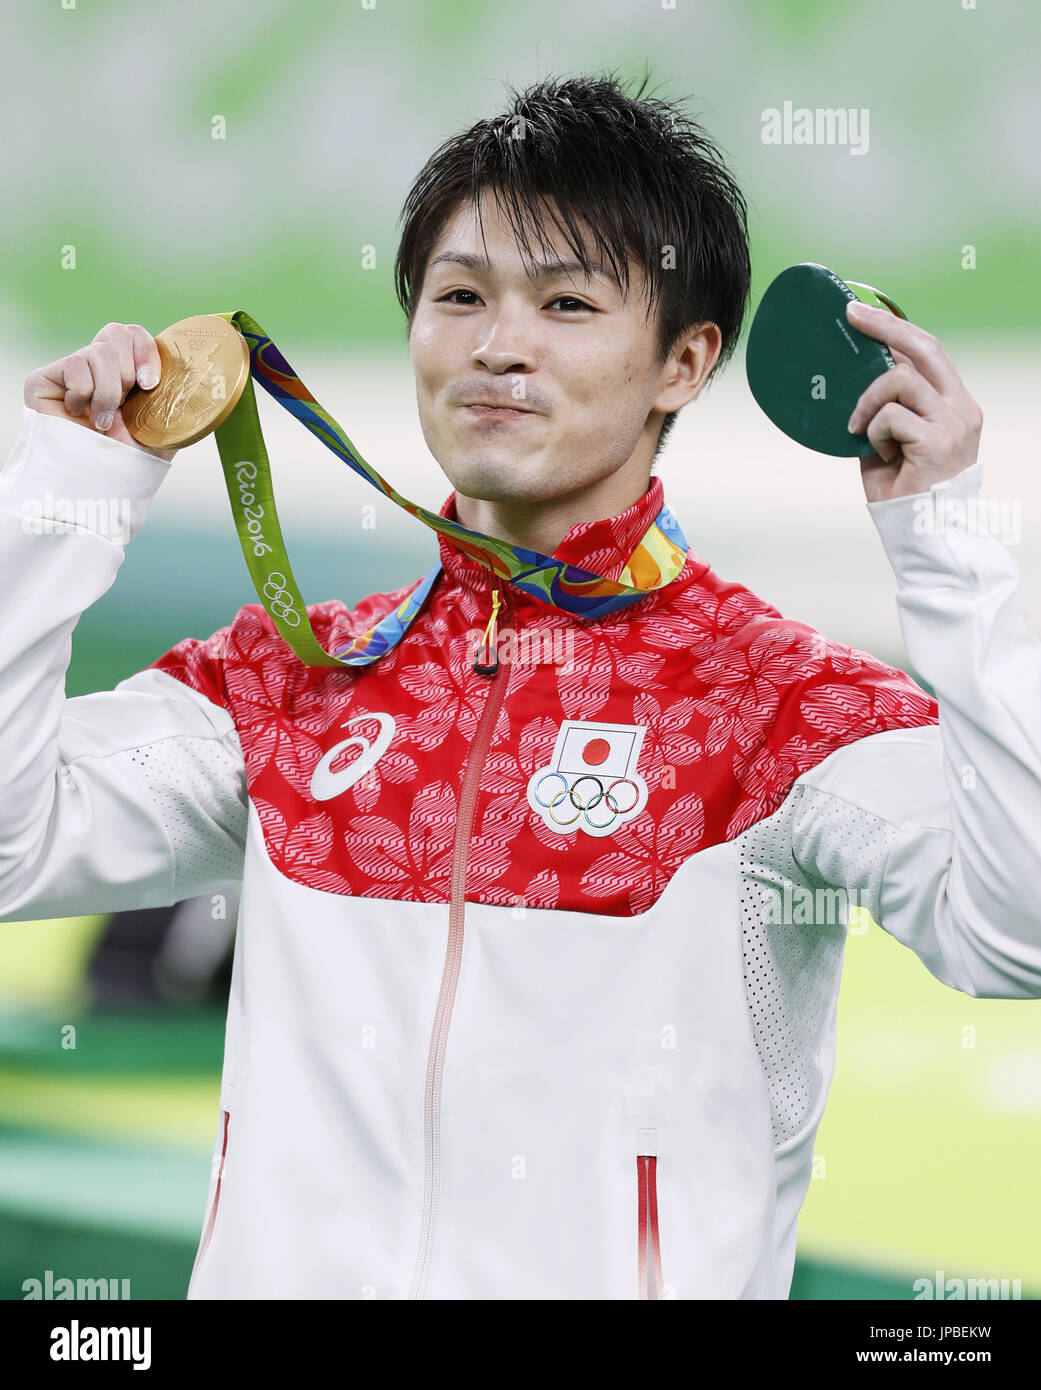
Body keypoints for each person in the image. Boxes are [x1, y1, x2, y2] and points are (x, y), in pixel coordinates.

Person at [2, 71, 1038, 1301]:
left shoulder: (779, 706)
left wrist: (949, 550)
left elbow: (1011, 931)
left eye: (566, 302)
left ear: (684, 360)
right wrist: (69, 491)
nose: (499, 344)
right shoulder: (285, 678)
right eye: (459, 295)